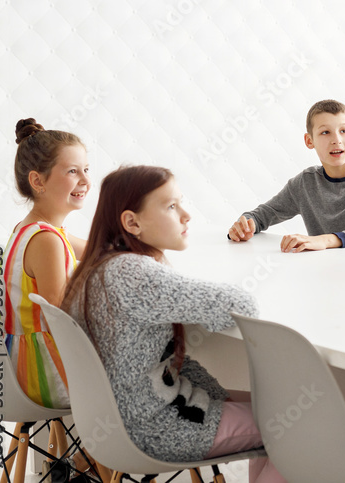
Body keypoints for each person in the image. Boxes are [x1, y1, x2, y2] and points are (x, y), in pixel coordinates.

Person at [61, 166, 285, 482]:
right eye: (171, 206)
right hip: (157, 427)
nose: (187, 215)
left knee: (279, 406)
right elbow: (240, 305)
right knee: (295, 425)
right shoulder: (135, 275)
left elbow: (166, 362)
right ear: (131, 222)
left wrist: (220, 394)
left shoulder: (99, 267)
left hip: (123, 422)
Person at [227, 99, 345, 252]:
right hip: (329, 270)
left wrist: (325, 241)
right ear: (309, 141)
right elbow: (263, 215)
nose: (337, 139)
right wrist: (245, 226)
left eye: (343, 130)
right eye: (325, 132)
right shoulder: (305, 183)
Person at [3, 118, 90, 409]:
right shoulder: (46, 241)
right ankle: (102, 453)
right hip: (44, 372)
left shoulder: (33, 229)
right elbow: (64, 318)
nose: (86, 181)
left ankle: (95, 455)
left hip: (25, 365)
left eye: (86, 170)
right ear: (38, 181)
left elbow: (96, 250)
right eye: (72, 172)